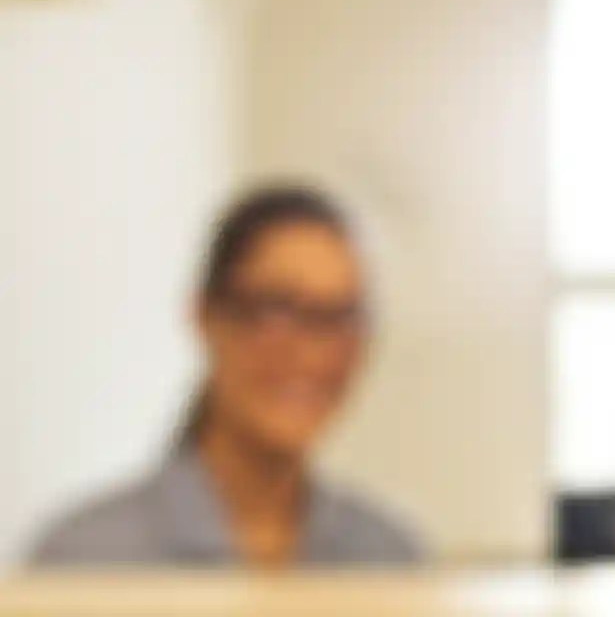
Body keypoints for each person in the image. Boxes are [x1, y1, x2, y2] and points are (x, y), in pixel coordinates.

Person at [29, 186, 423, 568]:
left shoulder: (387, 557)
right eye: (277, 310)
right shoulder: (88, 560)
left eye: (338, 317)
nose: (311, 353)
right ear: (206, 316)